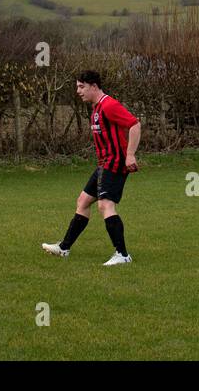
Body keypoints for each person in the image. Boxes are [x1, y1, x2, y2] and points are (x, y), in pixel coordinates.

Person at [42, 70, 141, 265]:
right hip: (104, 164)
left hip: (115, 163)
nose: (78, 91)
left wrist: (130, 155)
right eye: (77, 86)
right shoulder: (96, 108)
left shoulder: (109, 105)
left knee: (105, 205)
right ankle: (64, 248)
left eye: (82, 87)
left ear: (94, 86)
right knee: (83, 201)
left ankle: (122, 255)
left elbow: (135, 125)